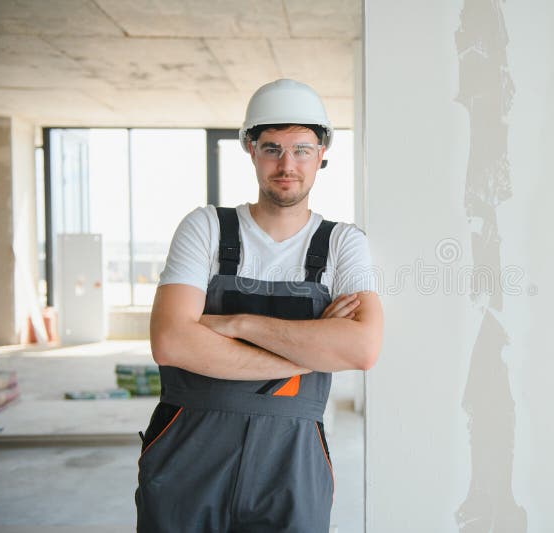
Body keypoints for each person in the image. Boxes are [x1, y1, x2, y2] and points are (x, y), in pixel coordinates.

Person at [135, 78, 383, 533]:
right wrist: (307, 353)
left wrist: (237, 322)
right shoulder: (205, 227)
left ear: (322, 152)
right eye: (272, 148)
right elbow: (171, 342)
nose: (287, 165)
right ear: (250, 148)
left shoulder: (343, 244)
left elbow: (362, 350)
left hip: (292, 462)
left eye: (302, 149)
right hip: (188, 452)